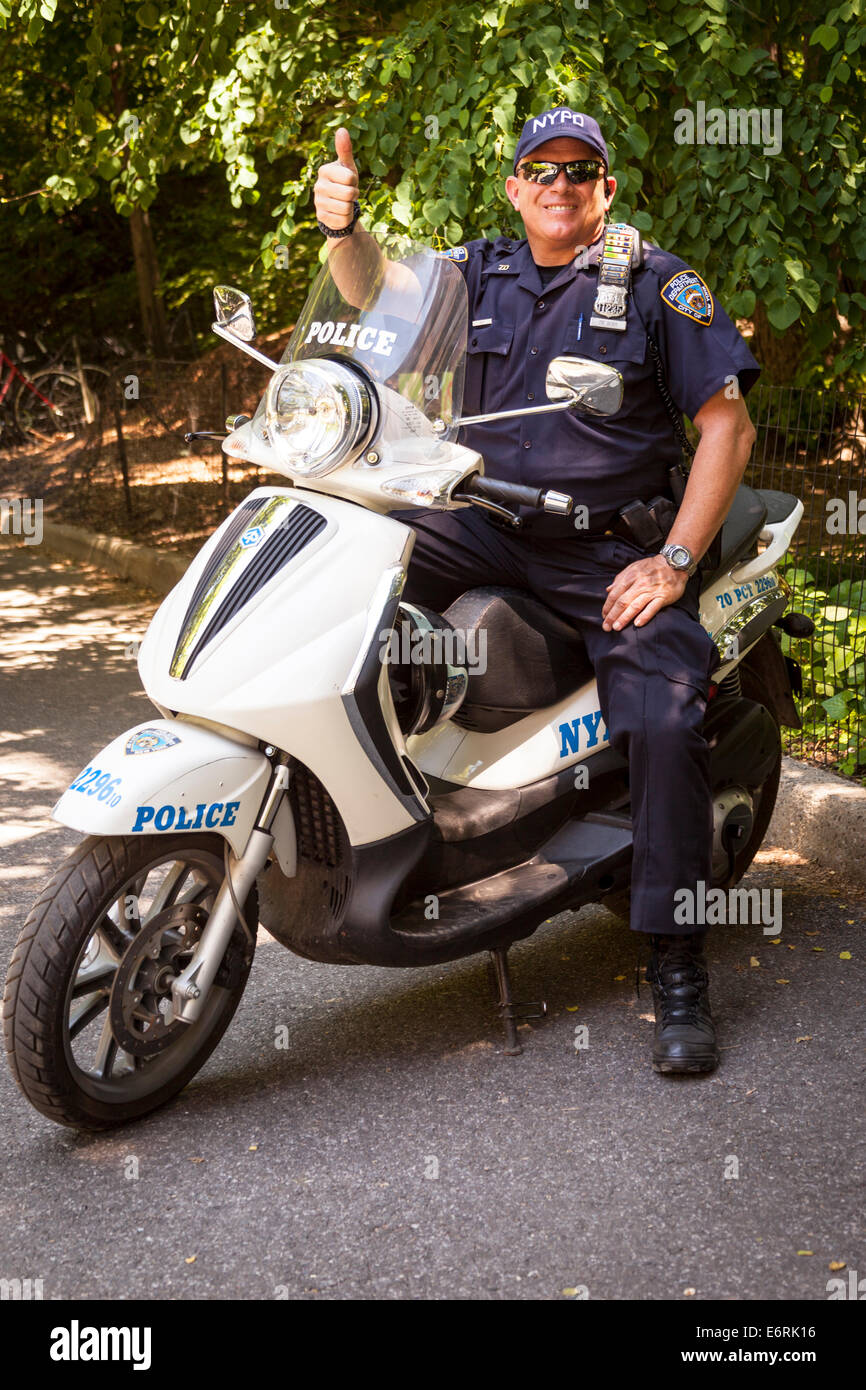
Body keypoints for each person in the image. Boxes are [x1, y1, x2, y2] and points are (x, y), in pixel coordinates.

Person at [314, 107, 761, 1075]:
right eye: (538, 170)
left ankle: (676, 962)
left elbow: (725, 427)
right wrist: (343, 230)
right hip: (479, 517)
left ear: (604, 188)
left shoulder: (655, 282)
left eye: (578, 170)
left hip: (601, 550)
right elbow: (376, 296)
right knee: (340, 582)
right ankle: (386, 821)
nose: (557, 185)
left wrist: (673, 562)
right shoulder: (478, 270)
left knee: (663, 711)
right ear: (514, 188)